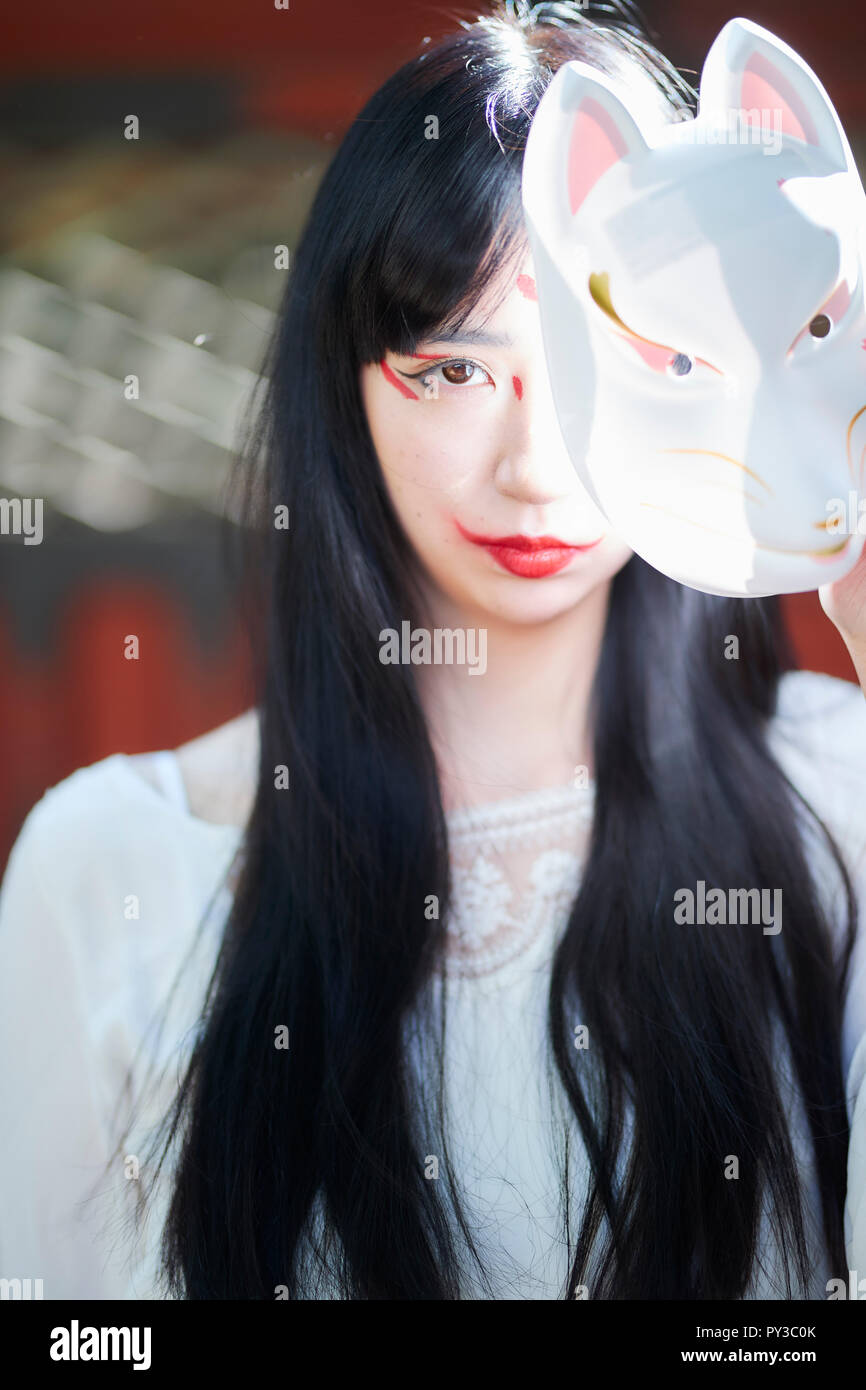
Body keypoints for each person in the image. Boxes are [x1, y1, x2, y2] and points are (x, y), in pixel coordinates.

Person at [1, 0, 866, 1301]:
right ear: (341, 386)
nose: (531, 468)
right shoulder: (112, 864)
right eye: (453, 373)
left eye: (595, 369)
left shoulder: (842, 797)